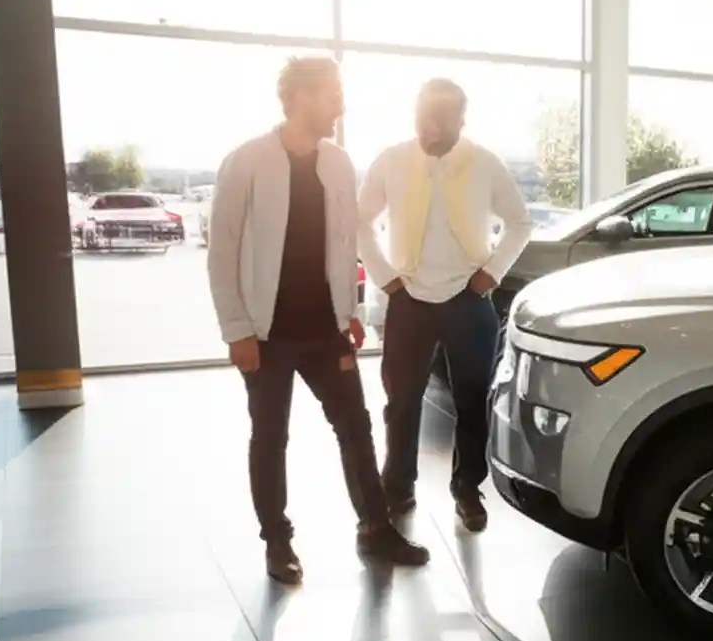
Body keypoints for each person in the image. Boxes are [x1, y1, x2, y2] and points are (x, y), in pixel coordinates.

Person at [208, 56, 430, 584]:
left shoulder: (337, 163)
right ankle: (277, 542)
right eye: (332, 95)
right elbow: (222, 252)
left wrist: (347, 311)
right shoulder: (246, 161)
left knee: (355, 427)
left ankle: (376, 527)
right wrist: (236, 329)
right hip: (265, 334)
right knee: (270, 436)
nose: (340, 105)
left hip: (324, 329)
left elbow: (342, 242)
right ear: (301, 97)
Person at [357, 78, 532, 533]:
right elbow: (357, 223)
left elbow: (519, 222)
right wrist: (386, 279)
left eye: (439, 116)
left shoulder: (483, 163)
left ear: (460, 119)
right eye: (421, 113)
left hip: (468, 299)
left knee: (473, 401)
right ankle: (398, 487)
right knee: (401, 402)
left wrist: (490, 274)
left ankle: (467, 489)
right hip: (407, 298)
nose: (427, 124)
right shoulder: (392, 160)